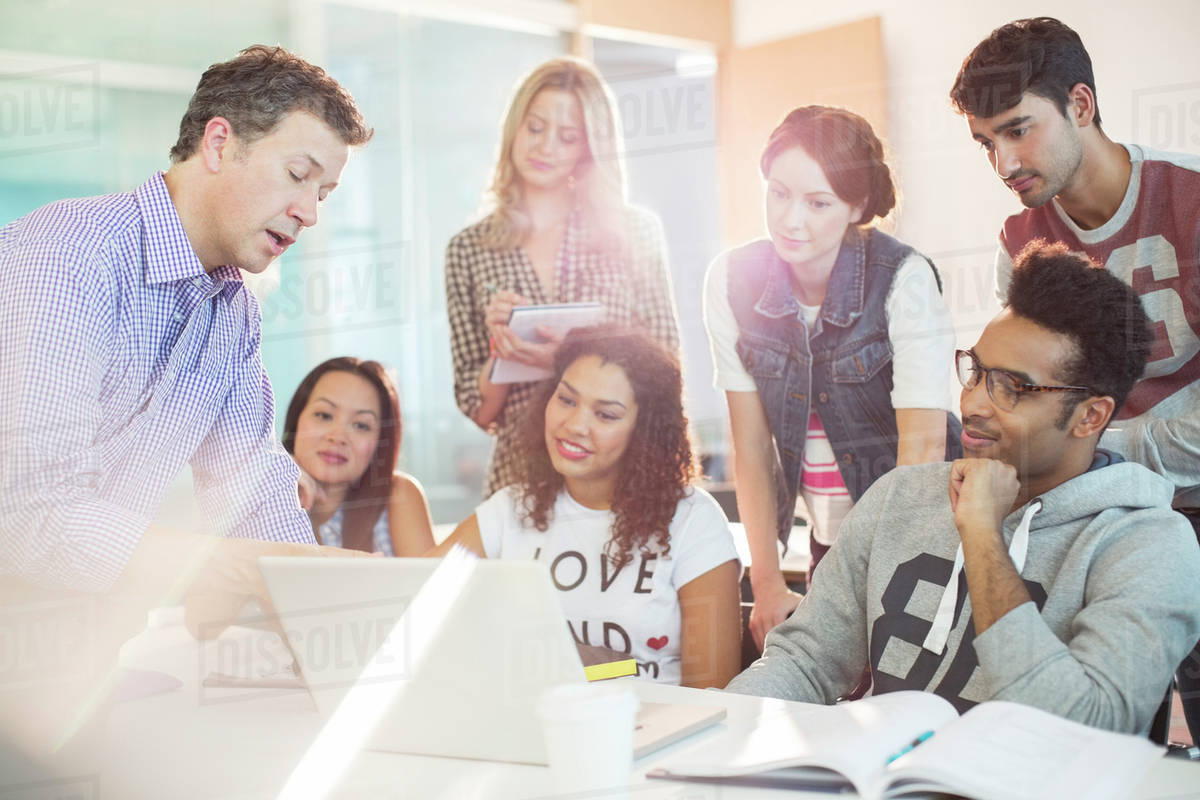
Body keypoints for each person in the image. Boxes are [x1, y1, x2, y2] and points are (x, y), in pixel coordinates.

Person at [0, 45, 371, 772]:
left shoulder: (232, 313)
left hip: (76, 666)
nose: (309, 212)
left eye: (323, 193)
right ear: (219, 141)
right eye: (299, 175)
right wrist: (219, 567)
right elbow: (29, 514)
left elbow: (257, 492)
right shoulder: (66, 256)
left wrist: (343, 624)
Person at [726, 242, 1200, 735]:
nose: (972, 403)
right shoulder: (899, 497)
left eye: (1012, 388)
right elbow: (804, 661)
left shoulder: (1150, 544)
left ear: (1090, 416)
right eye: (975, 371)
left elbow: (1083, 725)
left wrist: (981, 532)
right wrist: (714, 739)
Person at [950, 15, 1200, 740]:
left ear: (1081, 106)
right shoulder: (1020, 242)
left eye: (1018, 130)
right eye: (985, 142)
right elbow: (1024, 402)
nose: (1003, 162)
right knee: (1106, 741)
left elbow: (1063, 426)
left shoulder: (1190, 201)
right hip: (1105, 522)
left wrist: (1109, 446)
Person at [703, 105, 961, 650]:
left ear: (857, 206)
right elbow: (751, 448)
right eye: (778, 193)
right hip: (826, 544)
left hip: (924, 539)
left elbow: (921, 456)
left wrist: (891, 584)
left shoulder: (904, 279)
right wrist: (767, 581)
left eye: (818, 203)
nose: (790, 220)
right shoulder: (731, 281)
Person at [433, 326, 741, 688]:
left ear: (644, 432)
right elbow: (412, 596)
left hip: (656, 731)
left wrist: (581, 672)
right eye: (566, 400)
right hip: (533, 730)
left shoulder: (693, 521)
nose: (575, 425)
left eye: (606, 415)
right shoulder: (511, 509)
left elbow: (712, 693)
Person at [445, 57, 681, 498]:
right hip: (519, 478)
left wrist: (567, 357)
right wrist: (504, 346)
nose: (546, 146)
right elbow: (481, 412)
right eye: (535, 127)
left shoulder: (633, 231)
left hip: (620, 478)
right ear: (514, 128)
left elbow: (668, 366)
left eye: (567, 136)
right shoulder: (469, 248)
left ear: (588, 147)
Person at [283, 357, 434, 556]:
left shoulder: (398, 495)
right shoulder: (261, 488)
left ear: (380, 442)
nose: (338, 437)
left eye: (361, 425)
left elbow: (430, 585)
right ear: (297, 421)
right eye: (324, 415)